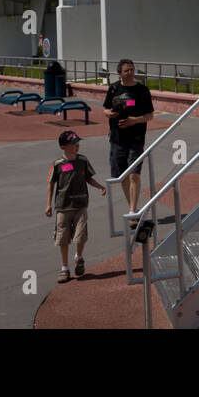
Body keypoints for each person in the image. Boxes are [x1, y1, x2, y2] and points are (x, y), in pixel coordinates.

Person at [45, 130, 106, 283]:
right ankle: (64, 268)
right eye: (73, 144)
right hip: (63, 206)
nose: (76, 146)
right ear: (63, 146)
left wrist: (99, 187)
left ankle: (79, 257)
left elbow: (89, 178)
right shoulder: (57, 164)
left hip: (81, 204)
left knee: (81, 236)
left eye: (77, 143)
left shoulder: (83, 161)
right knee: (63, 238)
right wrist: (48, 205)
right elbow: (51, 184)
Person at [103, 59, 155, 225]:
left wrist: (135, 120)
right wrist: (108, 114)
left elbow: (150, 115)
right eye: (127, 70)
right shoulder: (113, 88)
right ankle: (133, 206)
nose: (130, 73)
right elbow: (105, 108)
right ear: (120, 73)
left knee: (134, 174)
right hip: (117, 138)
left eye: (132, 70)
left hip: (136, 138)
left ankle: (132, 211)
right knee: (123, 176)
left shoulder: (142, 90)